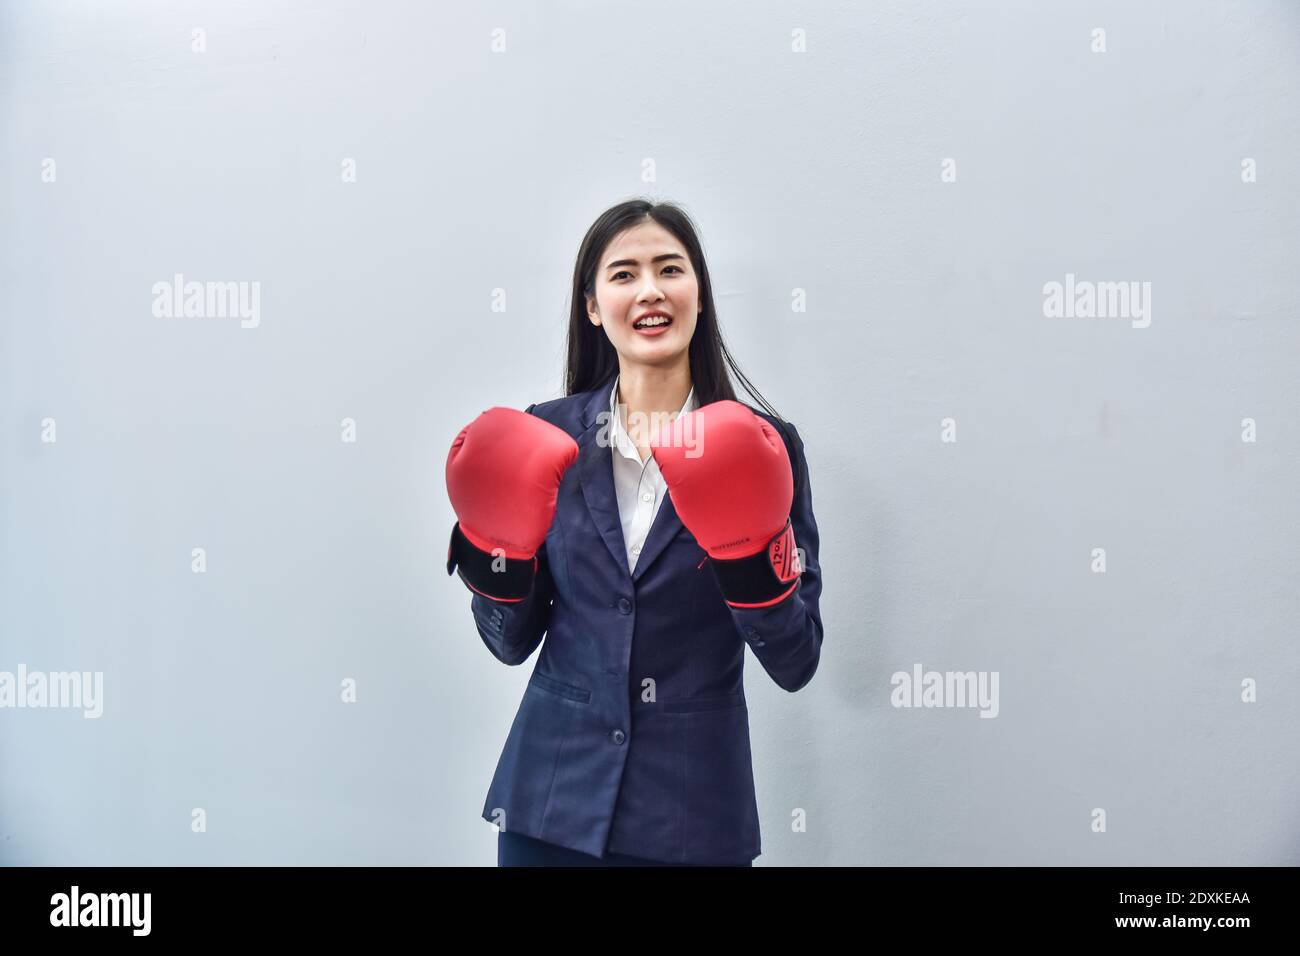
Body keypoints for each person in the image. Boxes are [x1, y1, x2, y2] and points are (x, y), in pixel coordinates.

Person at [445, 198, 824, 867]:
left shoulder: (766, 446)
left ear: (699, 295)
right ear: (592, 306)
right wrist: (492, 555)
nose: (649, 290)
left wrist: (748, 564)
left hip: (692, 816)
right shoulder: (544, 436)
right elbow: (509, 644)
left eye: (669, 269)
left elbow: (796, 661)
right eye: (623, 274)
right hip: (549, 807)